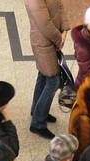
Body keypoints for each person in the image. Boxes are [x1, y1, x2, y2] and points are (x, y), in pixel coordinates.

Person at [25, 0, 67, 136]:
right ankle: (37, 123)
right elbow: (44, 24)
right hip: (43, 43)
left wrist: (65, 31)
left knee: (43, 75)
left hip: (51, 40)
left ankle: (37, 110)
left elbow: (60, 6)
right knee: (53, 80)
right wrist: (58, 38)